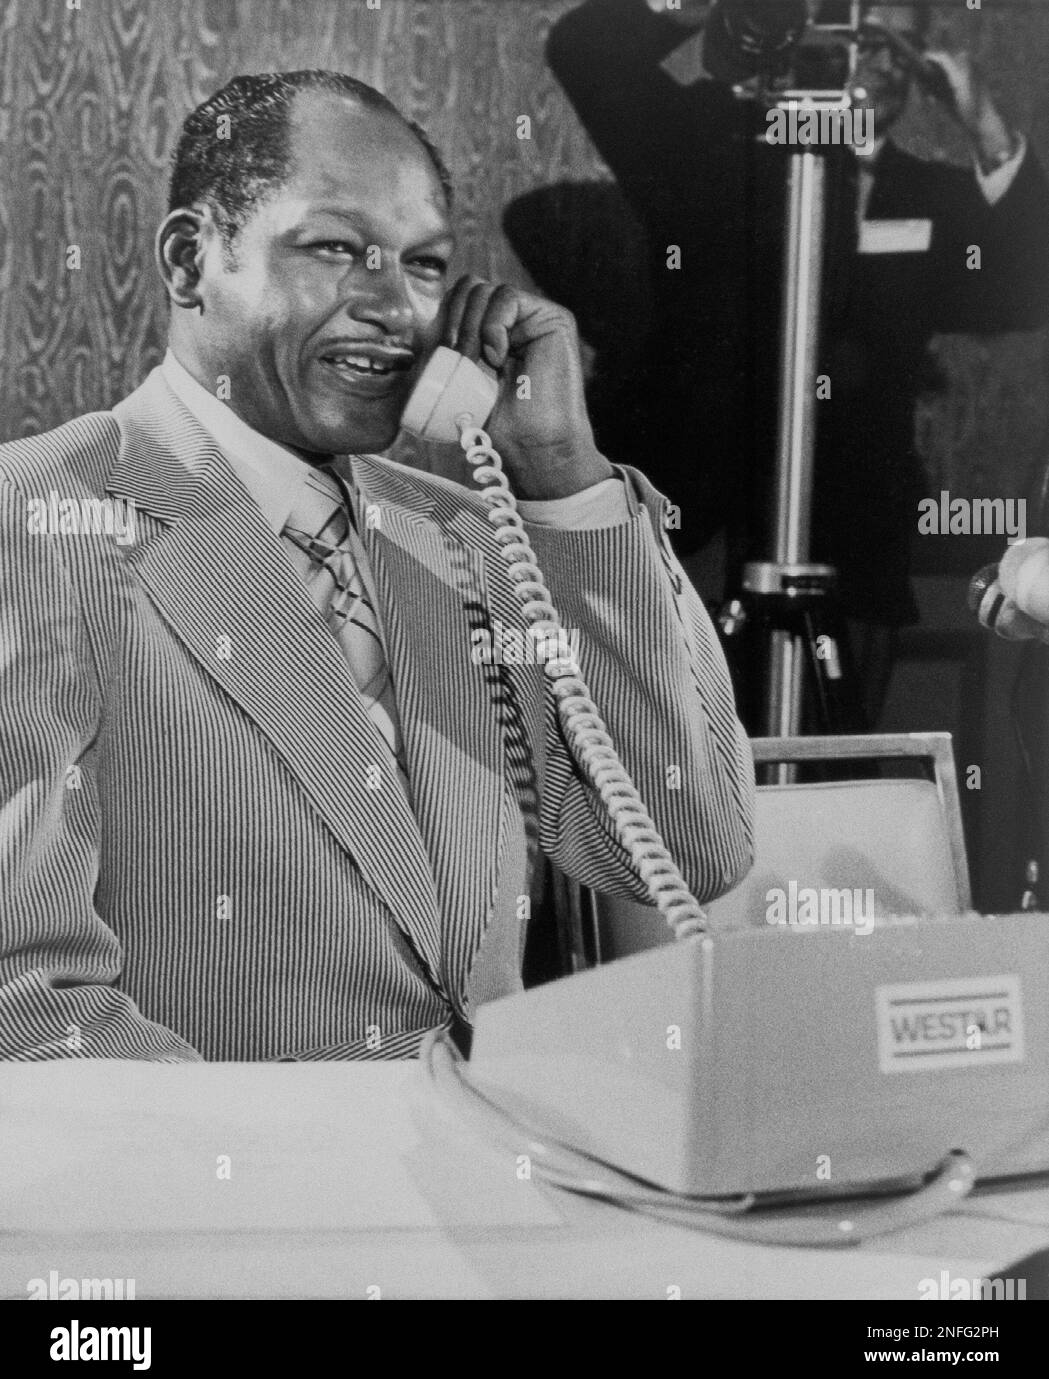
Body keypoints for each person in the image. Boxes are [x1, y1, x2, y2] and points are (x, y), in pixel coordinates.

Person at [0, 71, 754, 1062]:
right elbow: (30, 1007)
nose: (396, 308)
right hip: (235, 1198)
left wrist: (559, 475)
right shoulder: (35, 519)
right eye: (335, 249)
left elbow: (683, 848)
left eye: (426, 266)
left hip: (489, 1181)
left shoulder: (471, 537)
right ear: (190, 260)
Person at [544, 0, 1049, 725]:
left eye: (891, 46)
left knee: (830, 796)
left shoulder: (930, 200)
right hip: (693, 539)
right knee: (682, 798)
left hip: (854, 556)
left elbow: (1025, 288)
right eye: (846, 35)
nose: (867, 61)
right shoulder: (704, 148)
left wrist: (984, 121)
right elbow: (585, 50)